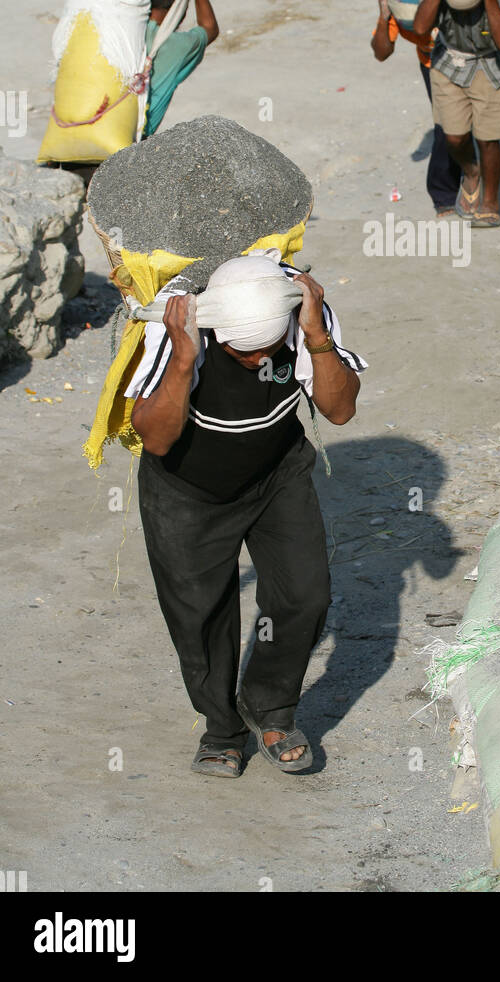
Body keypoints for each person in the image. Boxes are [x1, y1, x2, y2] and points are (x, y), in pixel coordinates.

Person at [126, 251, 366, 778]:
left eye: (270, 348)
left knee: (304, 595)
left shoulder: (301, 314)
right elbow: (158, 436)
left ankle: (270, 707)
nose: (260, 362)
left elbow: (340, 410)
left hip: (276, 473)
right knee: (200, 613)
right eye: (243, 353)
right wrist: (186, 360)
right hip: (186, 492)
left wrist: (316, 338)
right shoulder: (178, 327)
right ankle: (222, 729)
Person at [412, 0, 500, 228]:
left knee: (488, 139)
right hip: (450, 65)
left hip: (492, 65)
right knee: (454, 135)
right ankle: (471, 172)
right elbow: (420, 28)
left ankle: (491, 203)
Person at [371, 0, 460, 216]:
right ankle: (445, 194)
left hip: (472, 59)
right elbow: (381, 53)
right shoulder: (402, 1)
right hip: (435, 65)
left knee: (475, 127)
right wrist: (383, 17)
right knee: (448, 126)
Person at [142, 0, 219, 137]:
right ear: (176, 4)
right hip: (126, 145)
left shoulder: (129, 30)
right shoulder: (177, 45)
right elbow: (210, 28)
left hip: (80, 136)